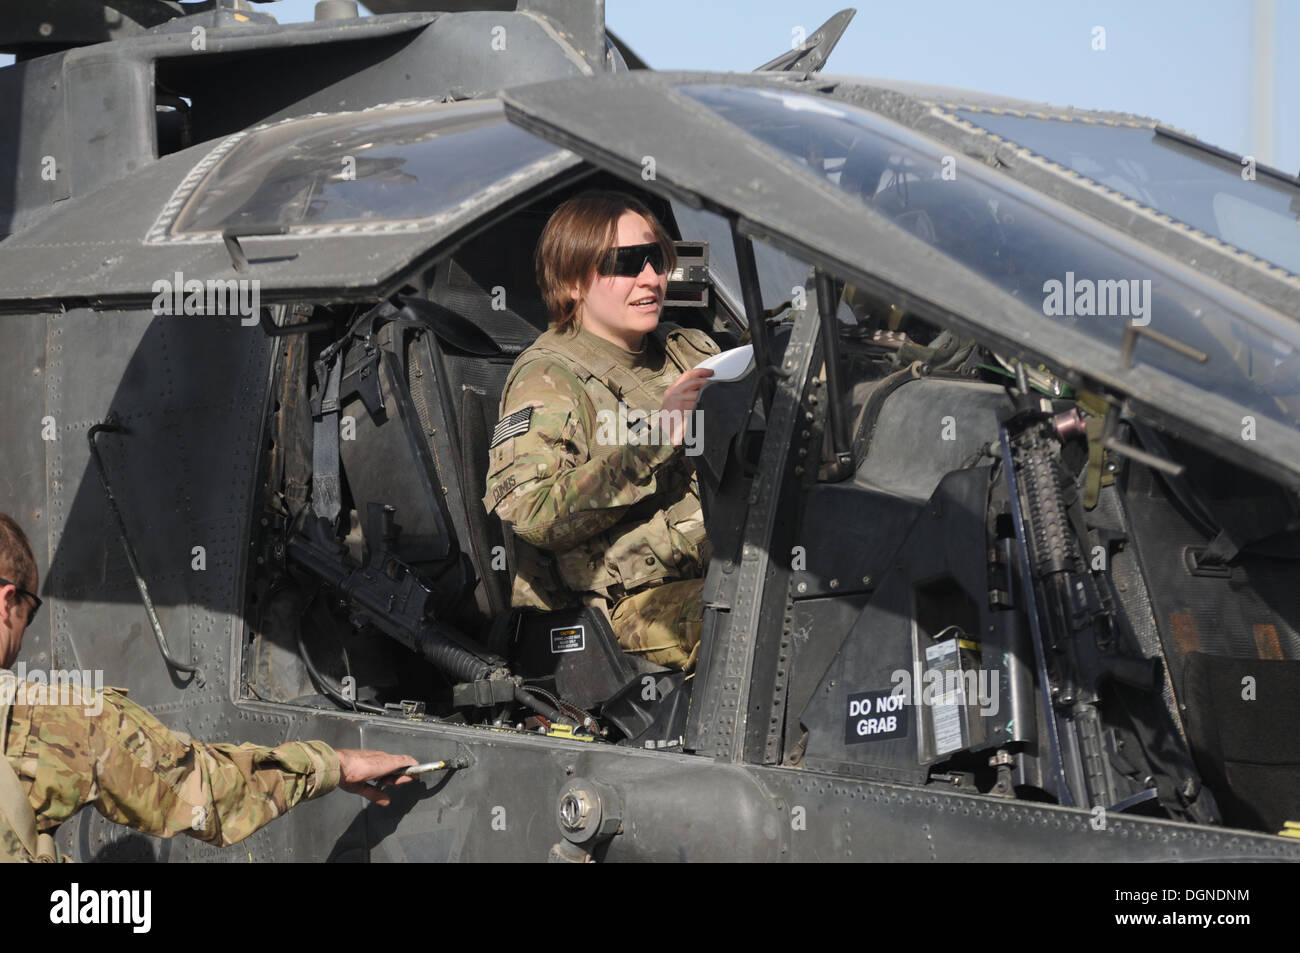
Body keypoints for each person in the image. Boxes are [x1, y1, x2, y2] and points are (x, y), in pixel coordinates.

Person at [0, 513, 418, 862]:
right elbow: (204, 790)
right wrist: (335, 765)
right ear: (6, 602)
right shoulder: (50, 719)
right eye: (29, 612)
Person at [483, 191, 718, 670]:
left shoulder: (689, 350)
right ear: (572, 282)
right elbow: (533, 513)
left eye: (656, 259)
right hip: (615, 613)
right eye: (626, 263)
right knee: (763, 621)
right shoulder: (550, 378)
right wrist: (657, 438)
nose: (651, 277)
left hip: (723, 563)